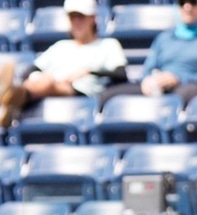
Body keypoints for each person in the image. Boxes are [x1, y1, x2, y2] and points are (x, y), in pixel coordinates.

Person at [0, 0, 127, 128]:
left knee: (49, 82)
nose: (77, 22)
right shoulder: (61, 46)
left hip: (82, 92)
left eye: (81, 17)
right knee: (43, 79)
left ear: (92, 19)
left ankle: (13, 95)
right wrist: (36, 75)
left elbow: (121, 74)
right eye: (72, 18)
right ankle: (16, 96)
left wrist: (88, 71)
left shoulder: (108, 45)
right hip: (51, 84)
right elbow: (31, 69)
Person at [101, 0, 197, 106]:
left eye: (193, 2)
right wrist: (147, 81)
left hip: (190, 86)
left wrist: (178, 79)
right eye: (182, 2)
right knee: (108, 96)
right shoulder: (164, 38)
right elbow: (148, 69)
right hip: (159, 84)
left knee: (178, 99)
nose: (187, 7)